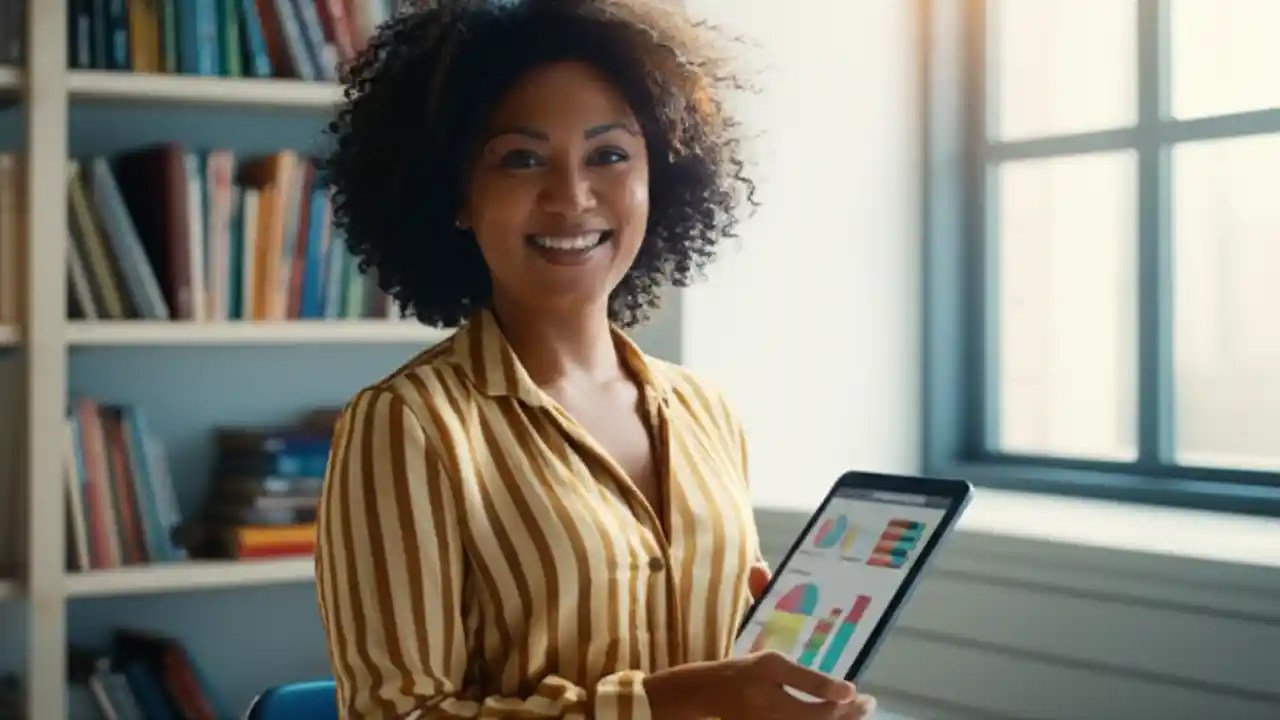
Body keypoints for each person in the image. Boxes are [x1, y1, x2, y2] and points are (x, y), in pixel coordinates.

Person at [314, 1, 878, 718]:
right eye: (521, 159)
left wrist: (776, 687)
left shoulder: (707, 412)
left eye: (608, 155)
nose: (571, 197)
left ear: (658, 175)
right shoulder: (407, 425)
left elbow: (727, 680)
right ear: (459, 195)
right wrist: (665, 703)